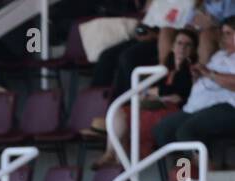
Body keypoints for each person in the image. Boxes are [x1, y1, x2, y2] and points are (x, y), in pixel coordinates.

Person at [93, 29, 197, 167]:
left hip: (174, 112)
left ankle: (120, 163)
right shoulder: (164, 69)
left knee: (134, 122)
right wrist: (157, 93)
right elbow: (155, 91)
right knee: (118, 112)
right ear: (172, 46)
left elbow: (180, 94)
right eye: (179, 43)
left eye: (187, 44)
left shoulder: (193, 70)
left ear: (194, 49)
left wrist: (157, 93)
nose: (182, 47)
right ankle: (111, 155)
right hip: (155, 108)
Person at [153, 17, 235, 160]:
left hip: (227, 106)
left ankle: (208, 177)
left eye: (229, 33)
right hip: (197, 106)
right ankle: (184, 176)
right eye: (223, 33)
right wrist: (197, 77)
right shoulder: (219, 55)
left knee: (186, 131)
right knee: (163, 130)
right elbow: (208, 79)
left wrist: (208, 73)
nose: (224, 37)